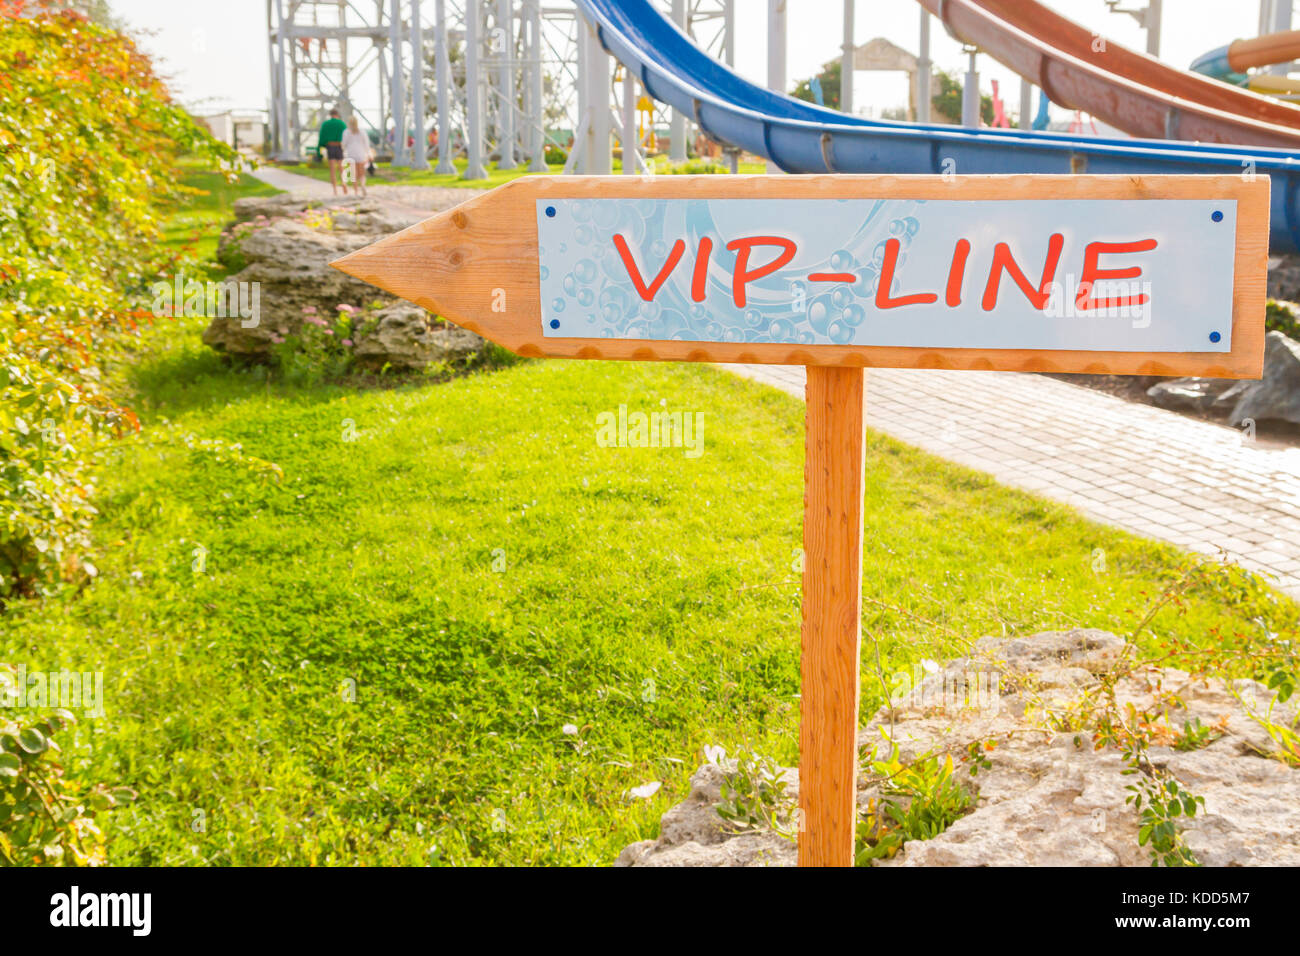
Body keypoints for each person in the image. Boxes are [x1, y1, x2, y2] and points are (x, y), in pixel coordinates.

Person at [315, 108, 347, 195]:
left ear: (330, 115)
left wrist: (319, 148)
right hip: (339, 147)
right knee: (341, 168)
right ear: (337, 114)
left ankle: (335, 190)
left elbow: (321, 137)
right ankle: (344, 184)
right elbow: (346, 136)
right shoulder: (342, 124)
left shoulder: (326, 124)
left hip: (330, 147)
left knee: (332, 169)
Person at [341, 116, 373, 197]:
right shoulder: (362, 132)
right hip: (361, 154)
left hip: (351, 154)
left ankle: (356, 192)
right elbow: (366, 144)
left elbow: (344, 144)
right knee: (361, 173)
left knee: (353, 174)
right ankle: (362, 185)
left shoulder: (346, 132)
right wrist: (369, 154)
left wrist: (343, 152)